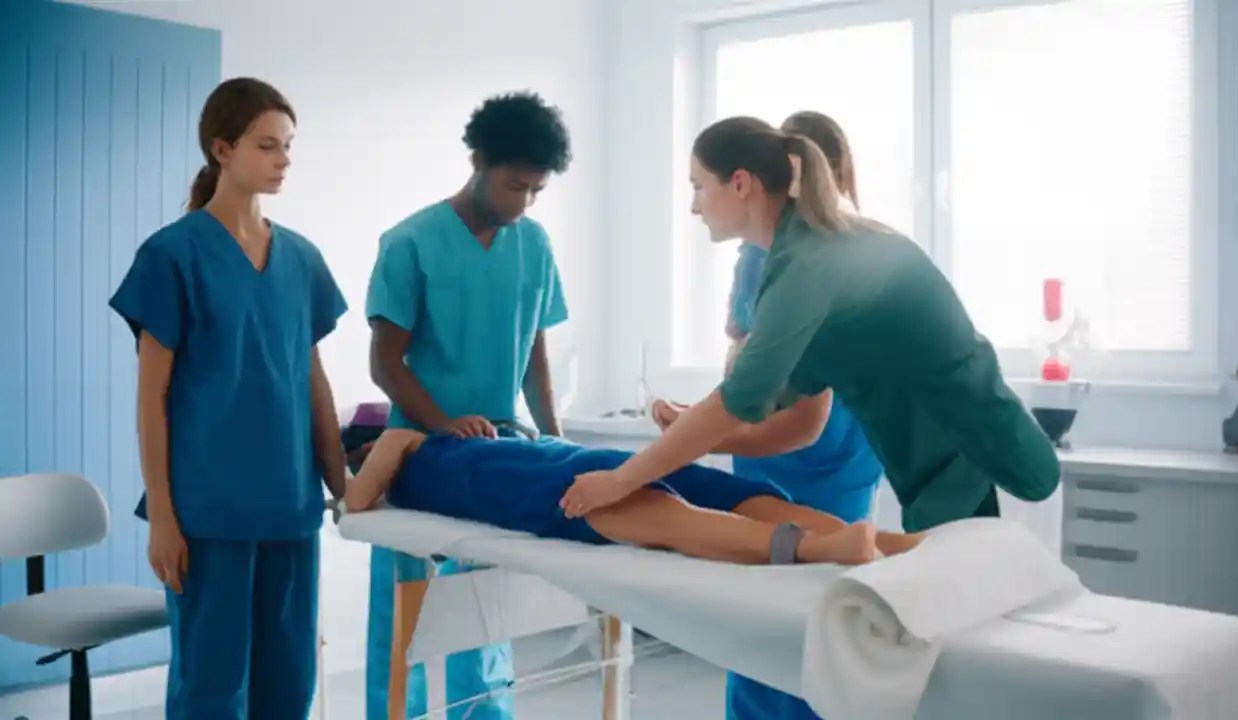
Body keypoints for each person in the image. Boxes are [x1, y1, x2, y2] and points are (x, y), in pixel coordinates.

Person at [560, 115, 1060, 539]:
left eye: (697, 186)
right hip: (929, 461)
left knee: (969, 612)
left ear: (740, 183)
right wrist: (693, 419)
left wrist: (619, 481)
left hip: (979, 457)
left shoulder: (809, 265)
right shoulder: (796, 258)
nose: (693, 205)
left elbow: (741, 400)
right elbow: (777, 387)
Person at [108, 77, 348, 719]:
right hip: (207, 514)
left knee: (288, 684)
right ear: (222, 148)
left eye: (289, 147)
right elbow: (151, 398)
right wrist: (162, 516)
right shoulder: (172, 255)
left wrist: (344, 482)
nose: (283, 160)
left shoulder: (301, 259)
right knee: (211, 690)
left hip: (290, 508)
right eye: (267, 146)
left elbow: (312, 380)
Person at [653, 112, 883, 720]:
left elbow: (750, 355)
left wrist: (696, 431)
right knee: (814, 599)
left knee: (780, 596)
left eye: (702, 188)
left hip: (807, 435)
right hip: (847, 443)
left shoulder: (783, 248)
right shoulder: (853, 242)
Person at [363, 91, 572, 720]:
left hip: (500, 451)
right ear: (478, 160)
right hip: (419, 453)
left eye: (537, 189)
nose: (525, 202)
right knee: (409, 613)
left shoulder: (532, 244)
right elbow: (385, 363)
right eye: (515, 185)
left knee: (486, 607)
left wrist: (556, 440)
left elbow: (534, 354)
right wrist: (442, 423)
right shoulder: (410, 243)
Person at [341, 430, 927, 564]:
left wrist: (353, 473)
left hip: (549, 489)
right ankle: (894, 543)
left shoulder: (406, 450)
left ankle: (820, 551)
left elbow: (354, 507)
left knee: (677, 523)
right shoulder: (457, 441)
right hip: (586, 462)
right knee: (735, 495)